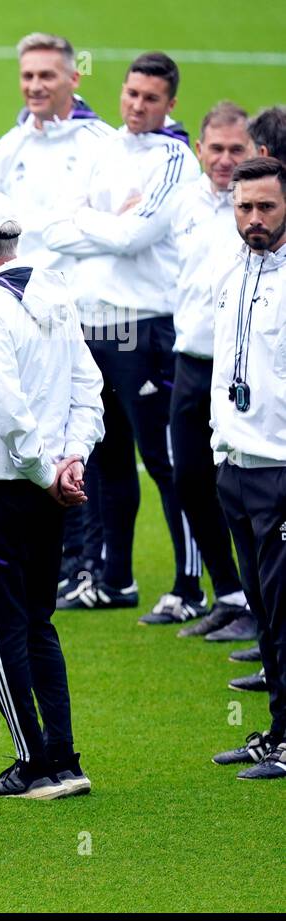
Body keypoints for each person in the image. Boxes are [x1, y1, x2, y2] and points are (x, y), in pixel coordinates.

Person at [0, 190, 104, 797]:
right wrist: (71, 460)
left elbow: (5, 405)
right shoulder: (55, 292)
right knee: (38, 621)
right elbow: (90, 388)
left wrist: (42, 469)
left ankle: (34, 765)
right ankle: (63, 757)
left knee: (1, 627)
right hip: (48, 489)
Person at [44, 52, 203, 623]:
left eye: (151, 98)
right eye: (132, 93)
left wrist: (92, 220)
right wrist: (103, 222)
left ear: (170, 105)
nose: (137, 105)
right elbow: (55, 229)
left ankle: (190, 586)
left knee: (164, 460)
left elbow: (136, 239)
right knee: (106, 458)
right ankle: (117, 579)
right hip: (93, 322)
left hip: (145, 324)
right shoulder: (104, 147)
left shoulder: (175, 159)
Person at [0, 32, 112, 595]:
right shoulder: (9, 146)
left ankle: (93, 563)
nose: (35, 86)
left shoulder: (102, 145)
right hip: (20, 311)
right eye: (27, 76)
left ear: (73, 77)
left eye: (47, 76)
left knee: (81, 435)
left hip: (81, 311)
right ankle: (59, 560)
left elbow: (109, 230)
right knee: (34, 429)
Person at [168, 104, 259, 645]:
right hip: (188, 358)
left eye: (237, 149)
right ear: (198, 148)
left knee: (242, 492)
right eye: (217, 148)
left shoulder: (256, 210)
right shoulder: (183, 203)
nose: (225, 160)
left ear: (255, 153)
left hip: (236, 372)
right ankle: (228, 592)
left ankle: (259, 606)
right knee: (190, 479)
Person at [207, 157, 286, 780]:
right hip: (234, 465)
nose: (254, 220)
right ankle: (278, 732)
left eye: (266, 208)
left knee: (285, 610)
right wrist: (217, 444)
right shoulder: (235, 270)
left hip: (279, 470)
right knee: (262, 604)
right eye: (244, 208)